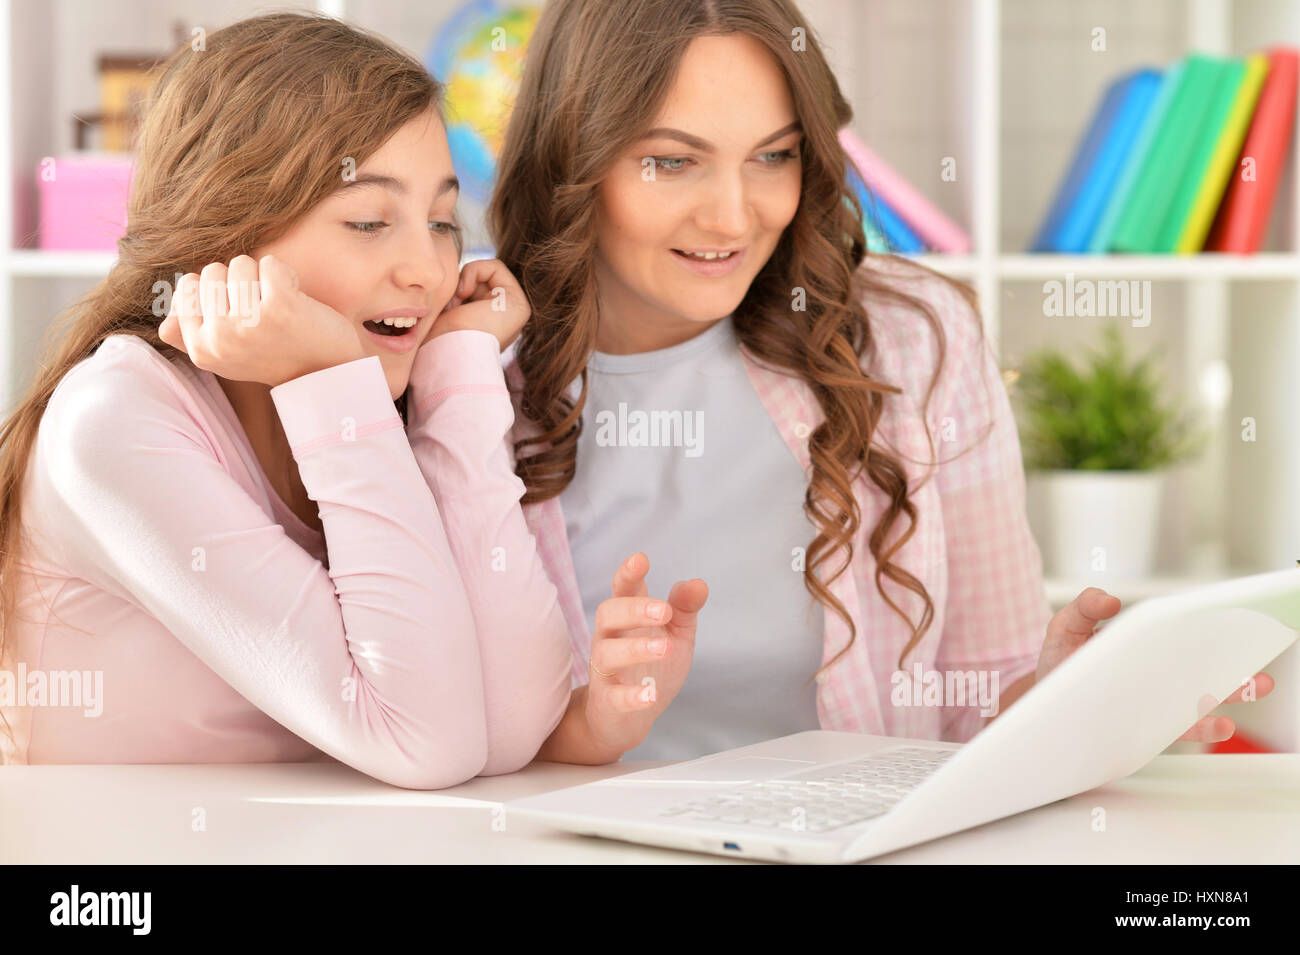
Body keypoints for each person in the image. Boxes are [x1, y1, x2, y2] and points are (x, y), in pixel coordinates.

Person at [491, 0, 1272, 762]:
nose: (733, 217)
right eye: (672, 160)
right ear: (570, 158)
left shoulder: (913, 342)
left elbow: (980, 698)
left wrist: (1078, 704)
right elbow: (454, 735)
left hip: (862, 835)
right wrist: (587, 729)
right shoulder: (472, 376)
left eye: (774, 155)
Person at [0, 13, 588, 788]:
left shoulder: (387, 401)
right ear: (228, 235)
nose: (427, 269)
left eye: (444, 222)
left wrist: (458, 372)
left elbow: (510, 724)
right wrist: (333, 381)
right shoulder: (112, 422)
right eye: (369, 222)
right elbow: (428, 741)